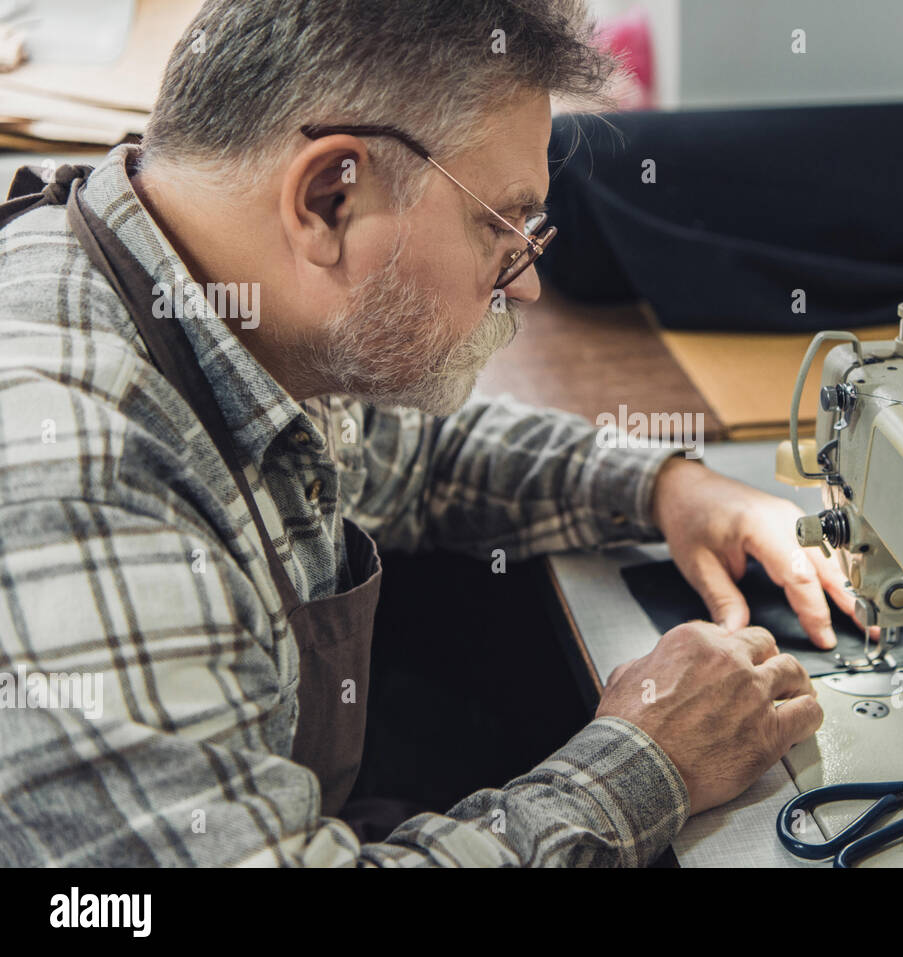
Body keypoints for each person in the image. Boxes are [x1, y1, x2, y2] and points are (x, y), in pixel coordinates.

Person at [0, 0, 859, 866]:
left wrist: (666, 485)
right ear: (331, 197)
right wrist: (649, 761)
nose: (522, 286)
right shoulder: (84, 474)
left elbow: (407, 456)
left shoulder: (200, 276)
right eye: (503, 226)